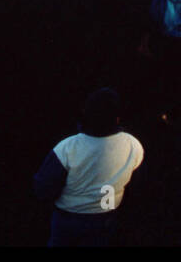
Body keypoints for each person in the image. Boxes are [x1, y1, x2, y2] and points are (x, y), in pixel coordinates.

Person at [32, 88, 144, 247]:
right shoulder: (133, 145)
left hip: (68, 220)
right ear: (117, 118)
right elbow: (136, 185)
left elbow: (43, 188)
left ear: (86, 114)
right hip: (107, 217)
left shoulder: (67, 148)